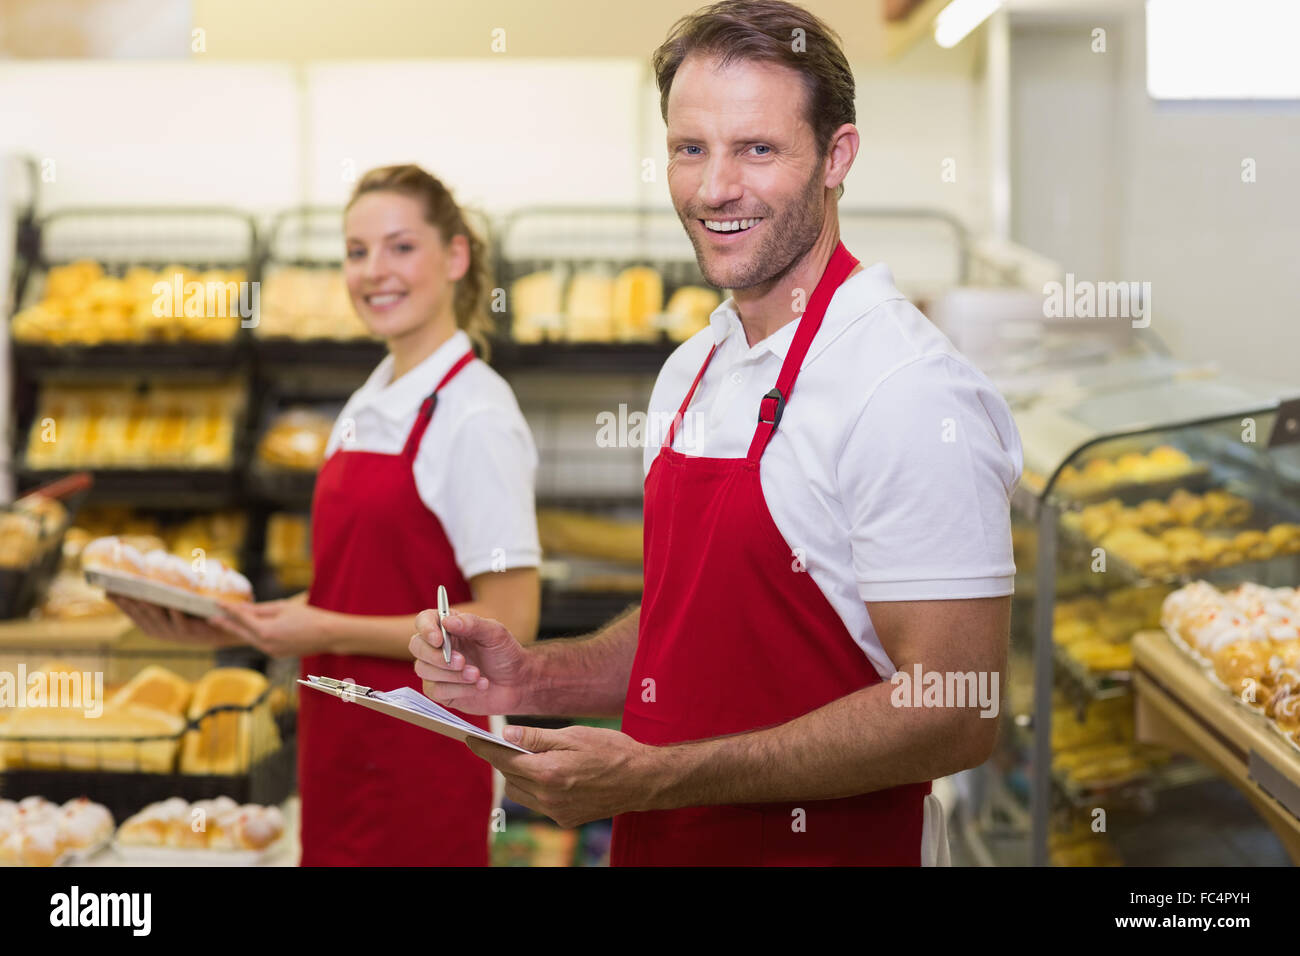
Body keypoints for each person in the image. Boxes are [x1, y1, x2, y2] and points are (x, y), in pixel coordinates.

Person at [410, 0, 1022, 867]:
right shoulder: (694, 365)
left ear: (836, 157)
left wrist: (660, 777)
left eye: (757, 150)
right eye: (689, 149)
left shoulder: (907, 389)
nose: (713, 188)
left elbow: (956, 710)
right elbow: (685, 626)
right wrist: (534, 677)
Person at [114, 164, 541, 866]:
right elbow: (365, 585)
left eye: (401, 246)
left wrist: (325, 628)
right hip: (341, 746)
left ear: (456, 256)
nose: (375, 270)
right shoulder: (370, 401)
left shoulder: (476, 415)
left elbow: (508, 621)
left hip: (423, 759)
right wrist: (232, 620)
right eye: (356, 251)